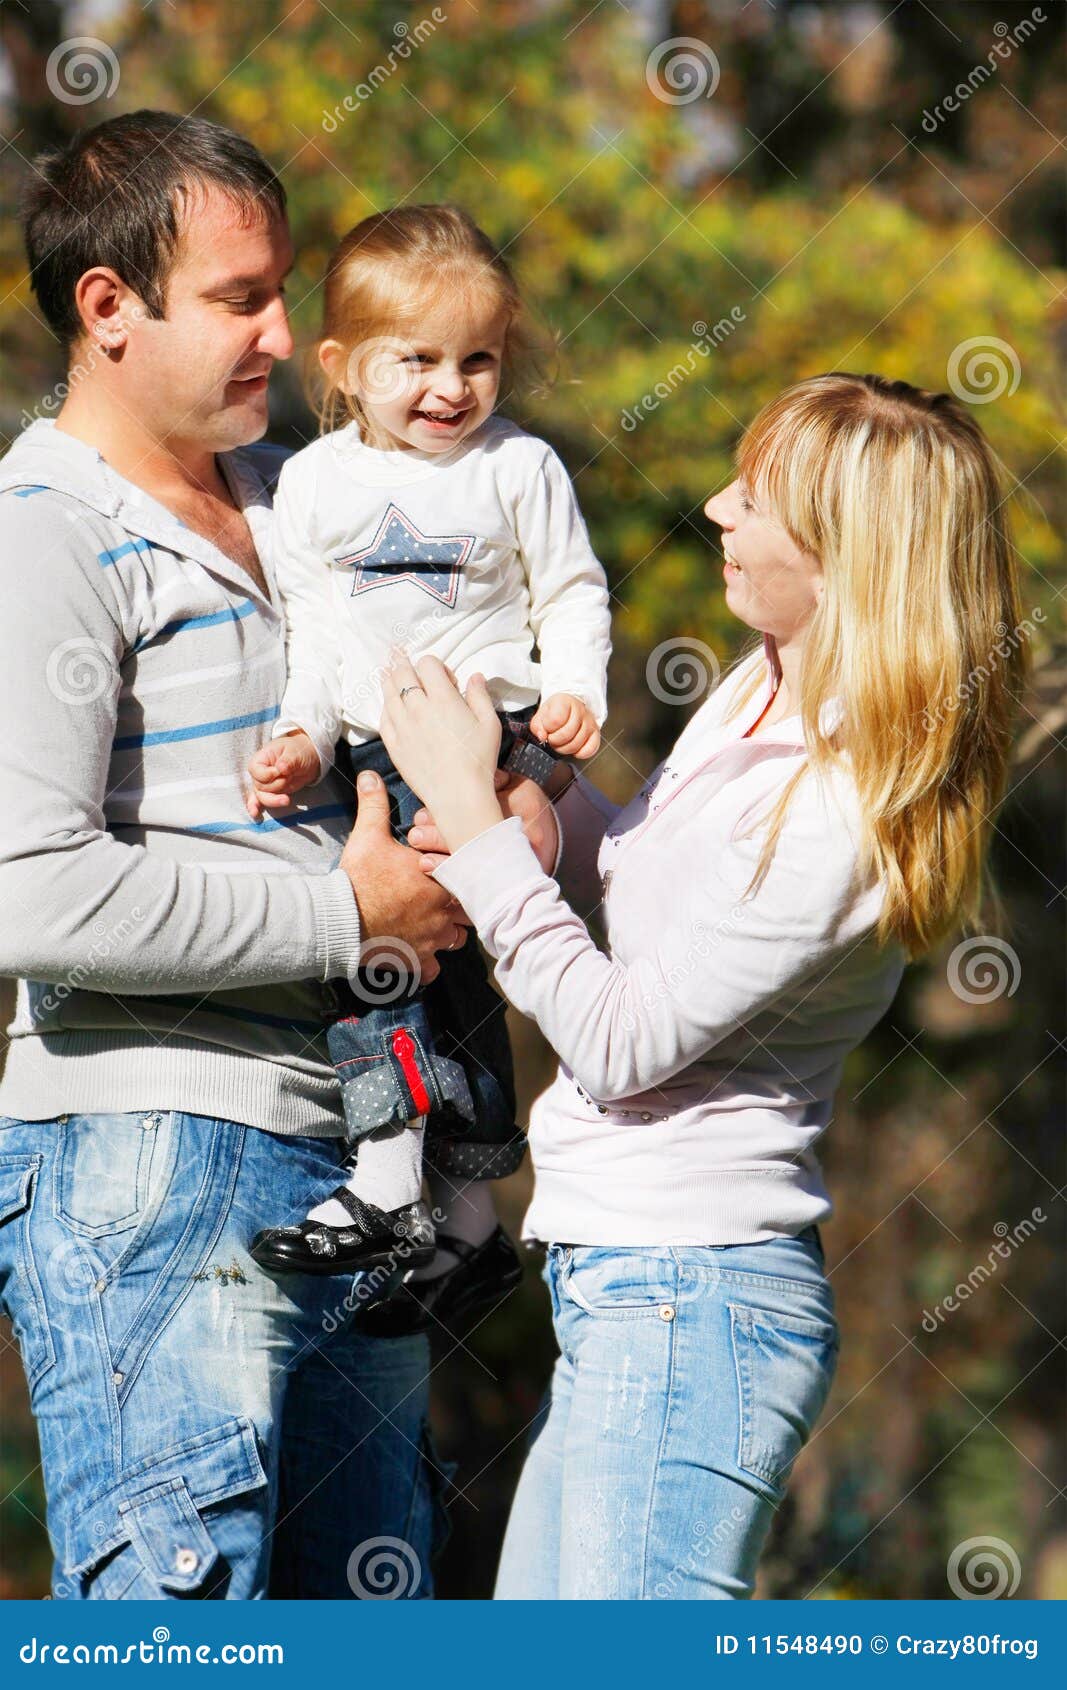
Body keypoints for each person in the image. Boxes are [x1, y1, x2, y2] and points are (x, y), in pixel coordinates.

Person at [375, 373, 1027, 1598]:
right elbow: (639, 889)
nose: (720, 507)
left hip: (693, 1296)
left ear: (843, 554)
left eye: (758, 498)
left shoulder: (841, 803)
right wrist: (541, 808)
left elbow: (620, 1038)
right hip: (633, 1288)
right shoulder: (759, 688)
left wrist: (471, 821)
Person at [0, 111, 464, 1599]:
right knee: (178, 1632)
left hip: (353, 1159)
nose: (283, 332)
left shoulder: (307, 503)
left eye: (281, 292)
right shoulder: (44, 535)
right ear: (107, 310)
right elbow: (30, 889)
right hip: (153, 1149)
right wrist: (343, 909)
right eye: (239, 297)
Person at [243, 205, 610, 1327]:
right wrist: (305, 735)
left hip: (480, 741)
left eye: (478, 359)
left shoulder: (518, 467)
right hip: (366, 750)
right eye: (417, 360)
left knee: (379, 959)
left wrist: (577, 687)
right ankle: (469, 1222)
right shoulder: (309, 488)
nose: (451, 387)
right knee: (438, 976)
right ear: (343, 368)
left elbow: (572, 588)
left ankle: (387, 1186)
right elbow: (314, 637)